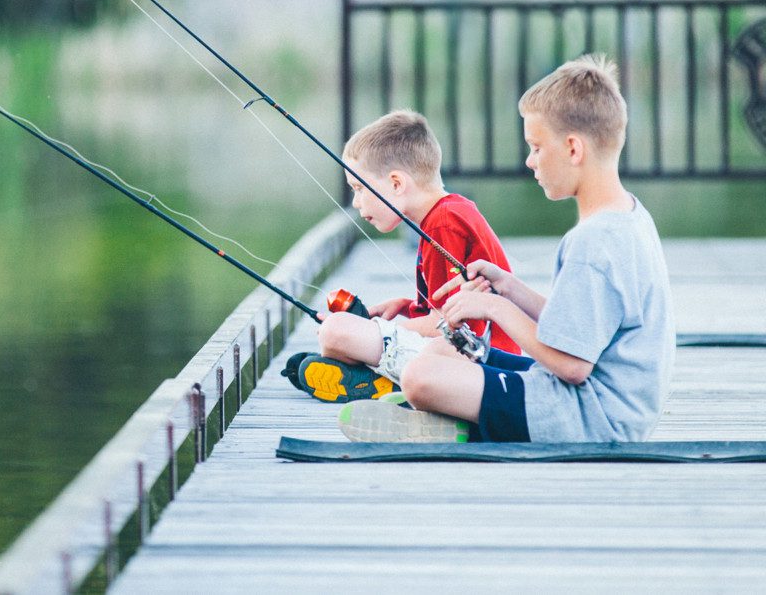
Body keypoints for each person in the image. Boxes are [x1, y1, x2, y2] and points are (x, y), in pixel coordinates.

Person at [334, 54, 675, 443]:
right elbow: (580, 329)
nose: (529, 161)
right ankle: (455, 412)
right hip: (610, 410)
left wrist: (496, 307)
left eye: (536, 147)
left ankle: (456, 423)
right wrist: (509, 287)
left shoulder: (590, 243)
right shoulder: (629, 218)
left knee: (421, 375)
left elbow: (573, 365)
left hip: (590, 419)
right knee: (440, 356)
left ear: (573, 149)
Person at [286, 109, 516, 404]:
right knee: (338, 336)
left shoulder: (444, 223)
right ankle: (372, 379)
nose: (356, 203)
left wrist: (377, 330)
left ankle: (395, 387)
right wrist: (408, 307)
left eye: (359, 189)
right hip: (470, 356)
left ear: (396, 184)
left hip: (482, 363)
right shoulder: (446, 214)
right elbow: (447, 309)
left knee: (334, 333)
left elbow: (448, 324)